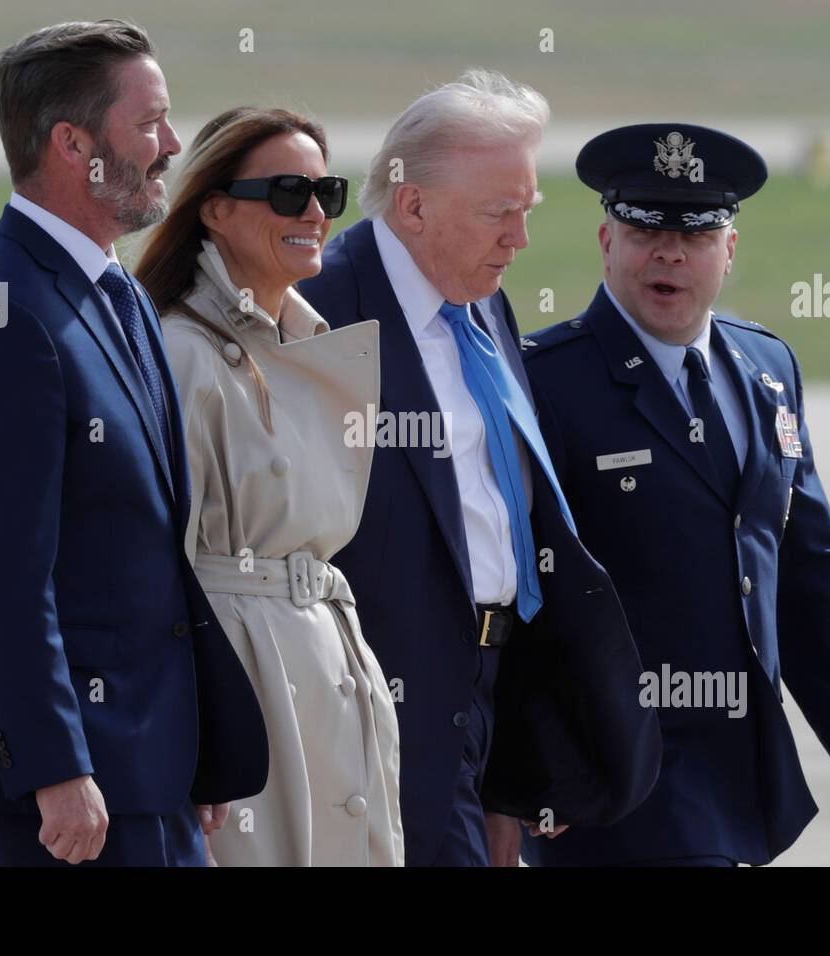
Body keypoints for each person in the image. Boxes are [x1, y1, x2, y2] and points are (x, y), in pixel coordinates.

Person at [0, 19, 267, 867]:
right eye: (149, 123)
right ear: (73, 144)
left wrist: (198, 737)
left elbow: (147, 542)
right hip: (76, 776)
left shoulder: (116, 292)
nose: (174, 145)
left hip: (148, 755)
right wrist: (55, 768)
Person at [519, 123, 830, 866]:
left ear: (728, 251)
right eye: (645, 231)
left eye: (696, 235)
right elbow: (514, 594)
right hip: (610, 776)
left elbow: (808, 560)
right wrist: (530, 770)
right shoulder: (545, 382)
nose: (670, 252)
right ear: (606, 241)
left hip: (741, 772)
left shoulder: (767, 368)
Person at [298, 71, 661, 867]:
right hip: (372, 704)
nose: (519, 239)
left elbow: (502, 524)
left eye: (525, 212)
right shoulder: (319, 310)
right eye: (500, 213)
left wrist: (514, 774)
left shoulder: (481, 301)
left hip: (487, 694)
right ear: (414, 205)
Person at [137, 108, 403, 866]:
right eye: (288, 192)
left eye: (328, 191)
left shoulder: (307, 344)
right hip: (243, 687)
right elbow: (157, 571)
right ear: (215, 210)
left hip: (324, 664)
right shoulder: (183, 353)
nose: (315, 213)